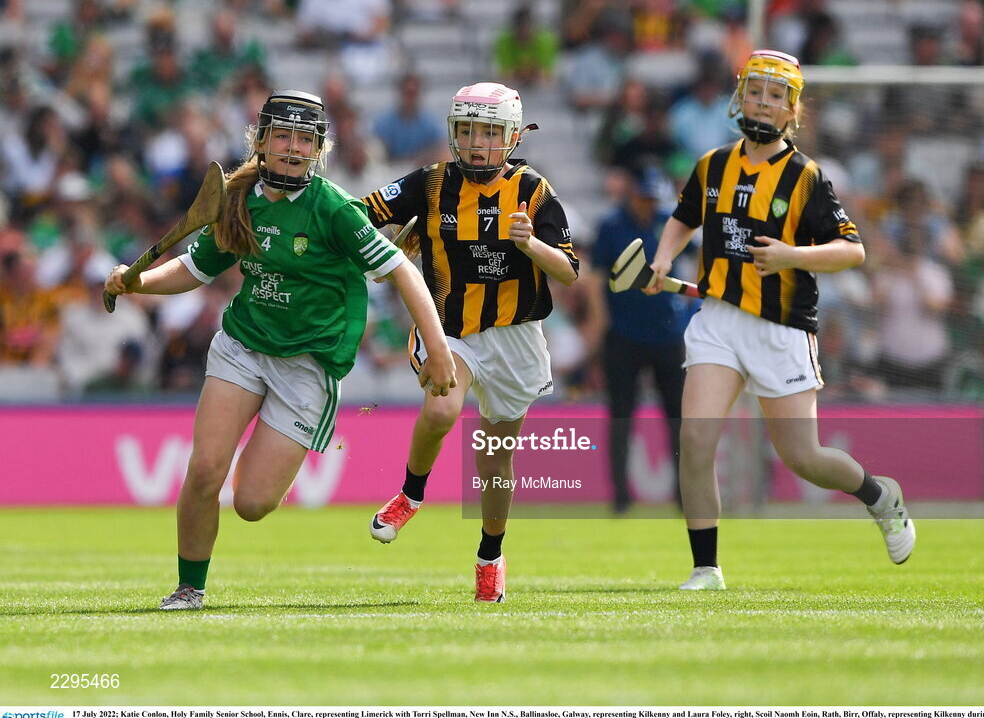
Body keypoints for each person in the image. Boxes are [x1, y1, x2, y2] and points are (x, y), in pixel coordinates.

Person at [103, 90, 457, 611]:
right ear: (262, 141)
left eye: (304, 140)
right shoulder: (238, 200)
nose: (293, 148)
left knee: (251, 503)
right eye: (283, 136)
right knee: (205, 470)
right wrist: (139, 282)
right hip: (243, 345)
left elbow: (404, 270)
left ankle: (265, 468)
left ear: (318, 149)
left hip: (309, 365)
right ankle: (188, 588)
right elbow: (194, 270)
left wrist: (438, 347)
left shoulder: (334, 209)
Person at [643, 50, 915, 591]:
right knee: (695, 440)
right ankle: (706, 568)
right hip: (719, 320)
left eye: (775, 96)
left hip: (782, 327)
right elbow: (683, 217)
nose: (762, 103)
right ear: (739, 98)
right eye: (754, 92)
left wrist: (793, 256)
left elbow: (852, 250)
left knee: (803, 457)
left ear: (792, 110)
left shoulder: (806, 177)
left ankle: (880, 496)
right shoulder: (712, 164)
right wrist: (663, 257)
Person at [361, 82, 579, 602]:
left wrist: (531, 245)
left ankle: (490, 557)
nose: (477, 143)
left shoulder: (534, 190)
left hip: (516, 338)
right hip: (450, 330)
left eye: (489, 133)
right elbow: (360, 212)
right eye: (467, 131)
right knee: (441, 410)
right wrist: (373, 248)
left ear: (512, 137)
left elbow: (569, 271)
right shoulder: (431, 182)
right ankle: (411, 494)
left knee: (494, 462)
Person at [590, 165, 695, 513]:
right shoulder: (611, 225)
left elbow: (695, 255)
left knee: (677, 417)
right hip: (623, 334)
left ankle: (683, 493)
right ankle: (621, 496)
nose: (648, 204)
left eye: (653, 198)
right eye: (644, 196)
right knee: (621, 416)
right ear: (631, 192)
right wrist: (601, 323)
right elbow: (596, 278)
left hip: (669, 334)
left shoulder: (669, 222)